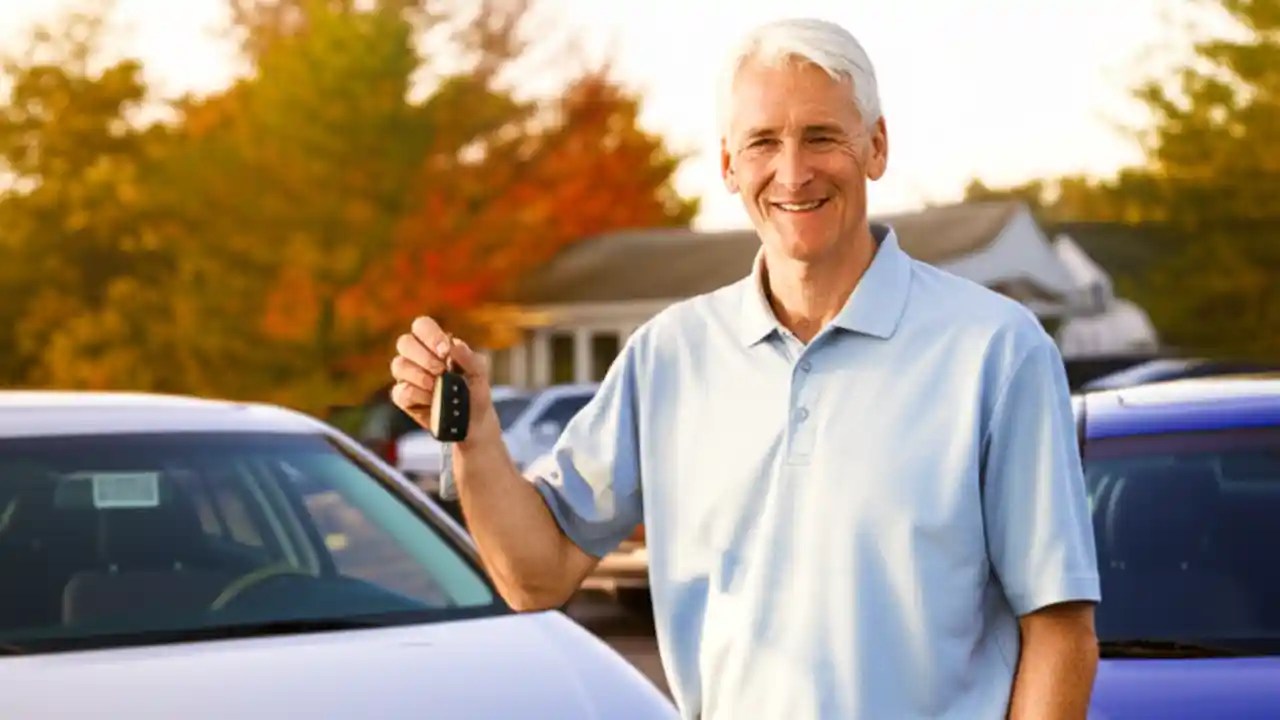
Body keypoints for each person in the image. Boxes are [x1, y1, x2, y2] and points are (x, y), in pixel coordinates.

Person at [389, 17, 1101, 720]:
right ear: (728, 165)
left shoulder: (997, 351)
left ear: (876, 147)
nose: (793, 172)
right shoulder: (668, 357)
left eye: (822, 136)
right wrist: (476, 435)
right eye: (764, 142)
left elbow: (1060, 629)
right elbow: (536, 574)